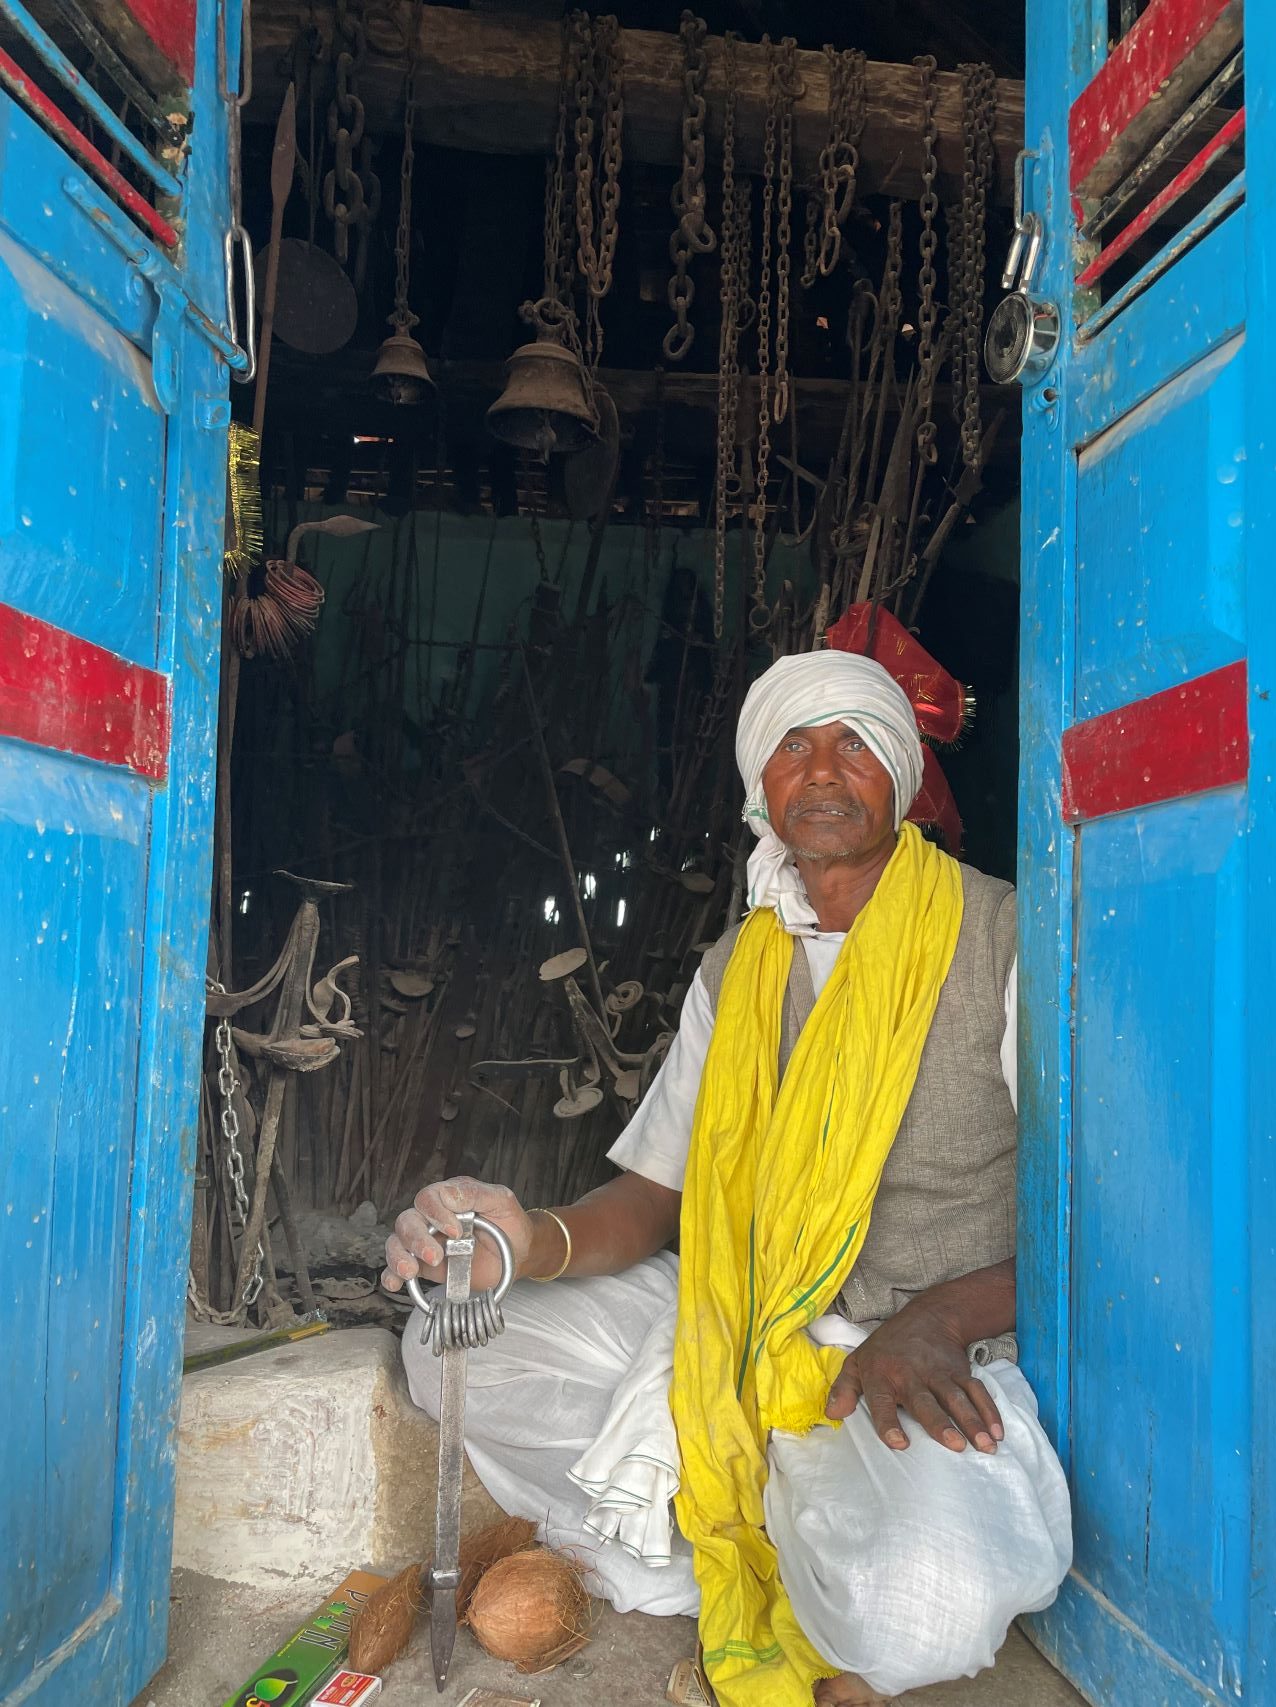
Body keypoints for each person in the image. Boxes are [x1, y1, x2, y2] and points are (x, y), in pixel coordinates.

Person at [384, 651, 1072, 1707]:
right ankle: (756, 1530)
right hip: (736, 1324)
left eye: (854, 742)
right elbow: (654, 1199)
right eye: (794, 745)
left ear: (901, 774)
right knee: (446, 1343)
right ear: (761, 788)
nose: (823, 769)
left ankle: (756, 1534)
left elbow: (1090, 1220)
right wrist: (527, 1240)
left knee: (927, 1606)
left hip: (915, 1352)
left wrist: (938, 1317)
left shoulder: (1000, 938)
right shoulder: (735, 966)